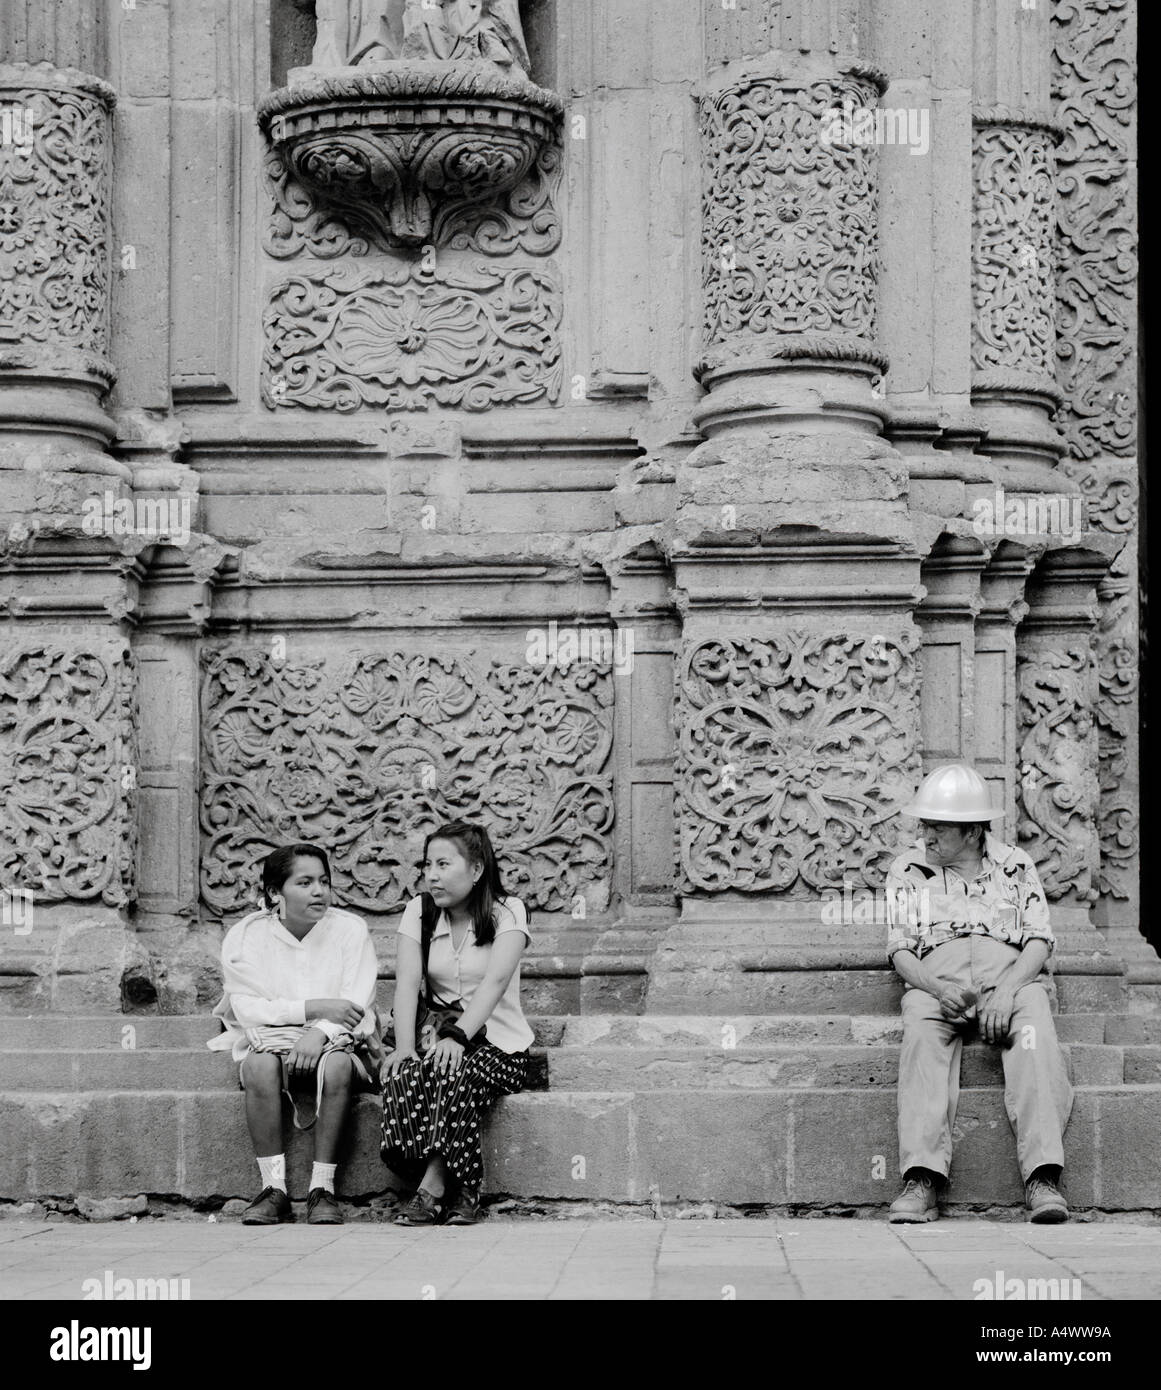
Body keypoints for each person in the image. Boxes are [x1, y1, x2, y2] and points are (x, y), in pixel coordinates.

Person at [885, 763, 1074, 1224]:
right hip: (936, 981)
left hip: (1010, 976)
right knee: (922, 1038)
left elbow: (1039, 940)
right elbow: (900, 950)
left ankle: (1042, 1178)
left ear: (972, 832)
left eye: (937, 827)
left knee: (1036, 1036)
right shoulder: (907, 869)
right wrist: (935, 987)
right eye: (924, 824)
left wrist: (1008, 990)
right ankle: (922, 1180)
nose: (925, 835)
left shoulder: (1016, 865)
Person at [208, 844, 380, 1225]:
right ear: (274, 893)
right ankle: (274, 1190)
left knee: (336, 1068)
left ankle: (323, 1189)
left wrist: (318, 1032)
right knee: (257, 1069)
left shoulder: (350, 930)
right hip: (269, 1038)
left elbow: (355, 1002)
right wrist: (314, 1008)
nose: (319, 891)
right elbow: (248, 1008)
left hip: (337, 1040)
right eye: (304, 882)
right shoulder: (246, 936)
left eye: (324, 882)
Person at [380, 820, 533, 1225]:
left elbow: (496, 982)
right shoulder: (420, 910)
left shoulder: (508, 911)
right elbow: (408, 982)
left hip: (501, 1046)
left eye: (444, 864)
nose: (432, 875)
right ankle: (453, 1185)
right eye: (427, 865)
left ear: (477, 869)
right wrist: (405, 1049)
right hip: (435, 1040)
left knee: (458, 1072)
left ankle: (441, 1188)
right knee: (408, 1075)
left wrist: (459, 1036)